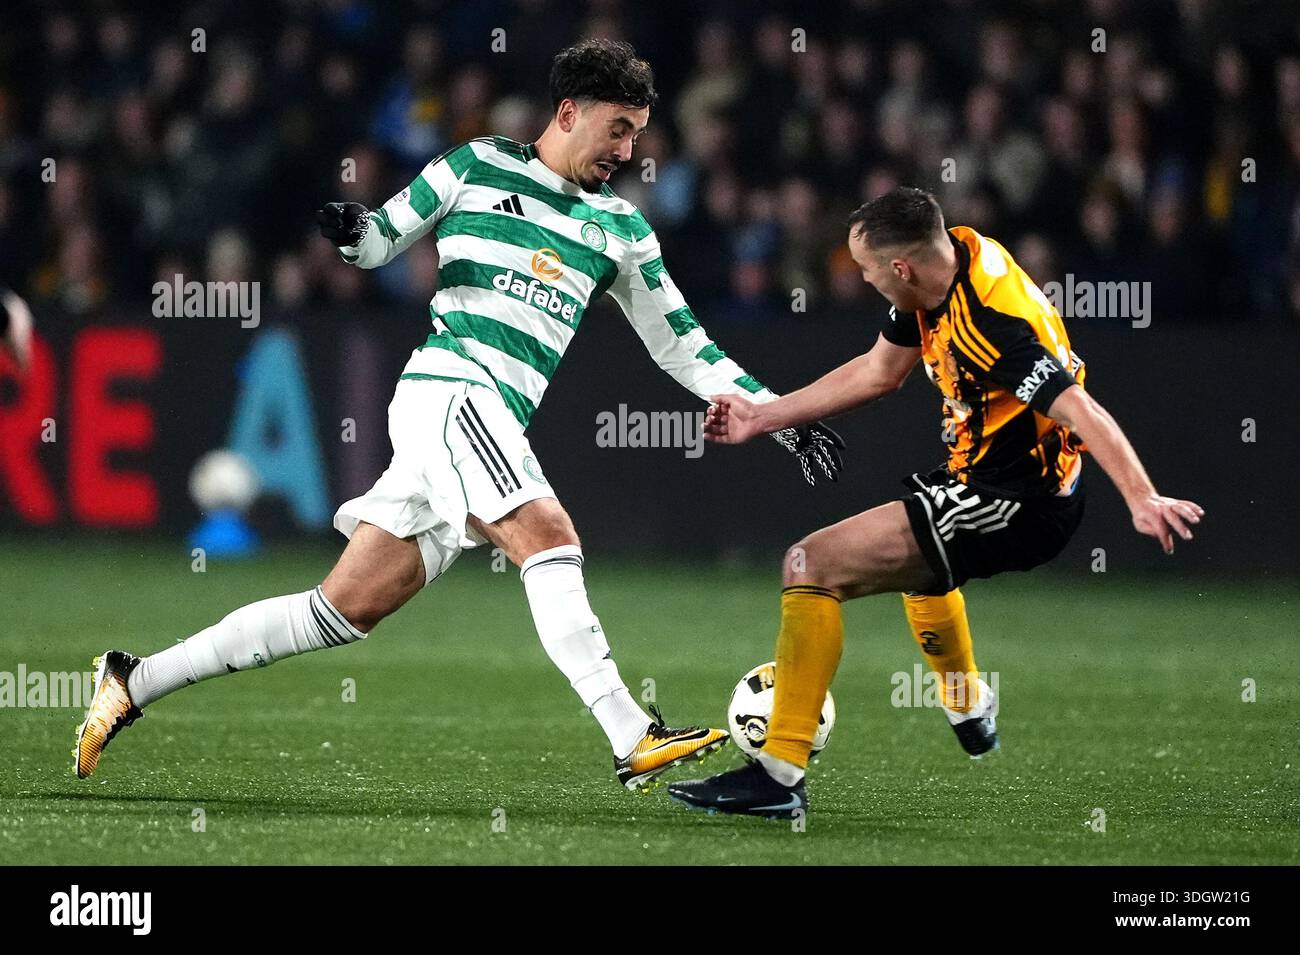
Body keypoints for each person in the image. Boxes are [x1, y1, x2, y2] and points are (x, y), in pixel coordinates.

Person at [73, 39, 843, 791]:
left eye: (637, 134)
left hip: (488, 416)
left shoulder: (622, 231)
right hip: (449, 388)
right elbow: (380, 240)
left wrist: (782, 414)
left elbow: (686, 347)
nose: (627, 149)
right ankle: (629, 733)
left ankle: (134, 678)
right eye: (618, 129)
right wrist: (353, 233)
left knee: (338, 610)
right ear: (569, 112)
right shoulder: (473, 165)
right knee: (549, 534)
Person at [667, 187, 1204, 817]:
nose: (866, 284)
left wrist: (1142, 497)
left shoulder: (990, 325)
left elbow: (1079, 406)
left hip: (1017, 501)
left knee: (810, 566)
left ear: (900, 269)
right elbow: (879, 372)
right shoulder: (950, 264)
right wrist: (764, 416)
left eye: (868, 273)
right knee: (919, 566)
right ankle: (967, 703)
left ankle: (778, 776)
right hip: (986, 480)